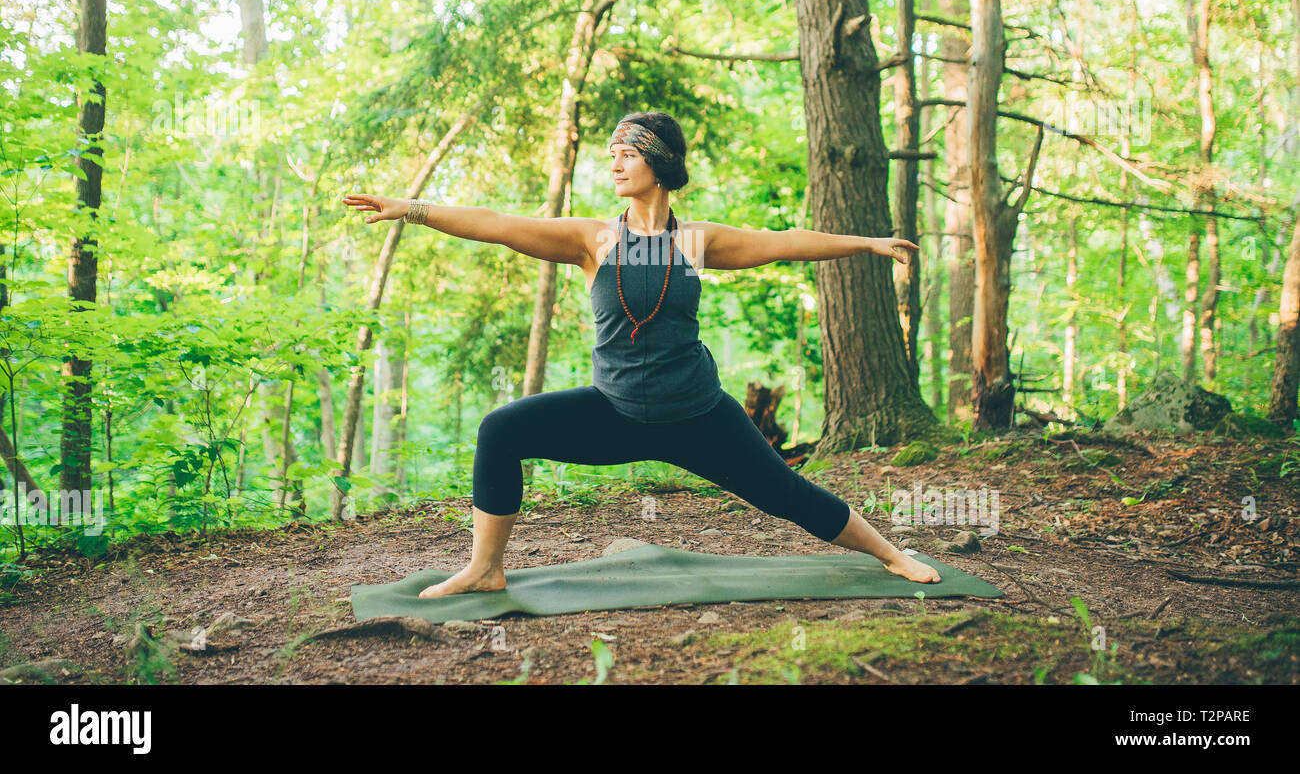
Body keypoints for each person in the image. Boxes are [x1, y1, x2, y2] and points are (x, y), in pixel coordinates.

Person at [341, 111, 940, 597]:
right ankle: (485, 568)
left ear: (659, 161)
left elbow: (783, 243)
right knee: (501, 429)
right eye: (613, 155)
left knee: (787, 493)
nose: (616, 165)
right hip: (616, 413)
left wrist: (866, 242)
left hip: (699, 416)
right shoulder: (591, 239)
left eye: (627, 153)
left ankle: (891, 554)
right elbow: (496, 223)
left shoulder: (694, 241)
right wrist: (413, 209)